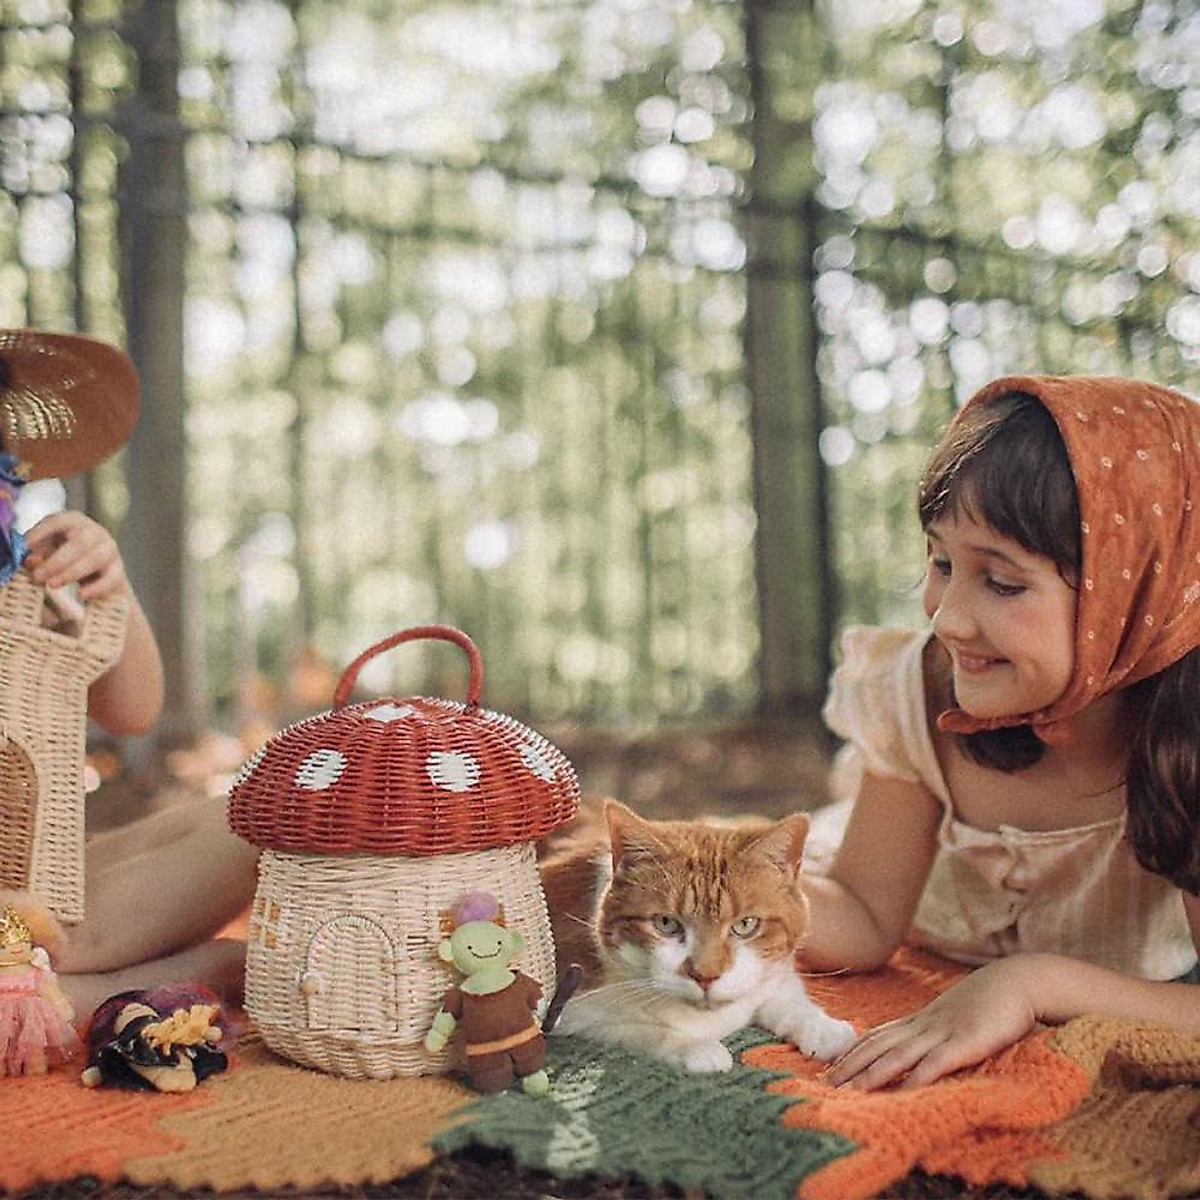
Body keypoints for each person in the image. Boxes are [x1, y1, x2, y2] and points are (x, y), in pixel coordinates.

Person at [800, 374, 1200, 1092]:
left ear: (1135, 591)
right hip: (906, 903)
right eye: (942, 562)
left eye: (1003, 583)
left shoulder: (1187, 743)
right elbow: (862, 914)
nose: (947, 617)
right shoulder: (920, 690)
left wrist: (1028, 985)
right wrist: (720, 894)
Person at [0, 329, 259, 1020]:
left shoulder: (26, 579)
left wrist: (108, 589)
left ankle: (83, 978)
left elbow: (134, 710)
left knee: (252, 821)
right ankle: (171, 978)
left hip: (46, 893)